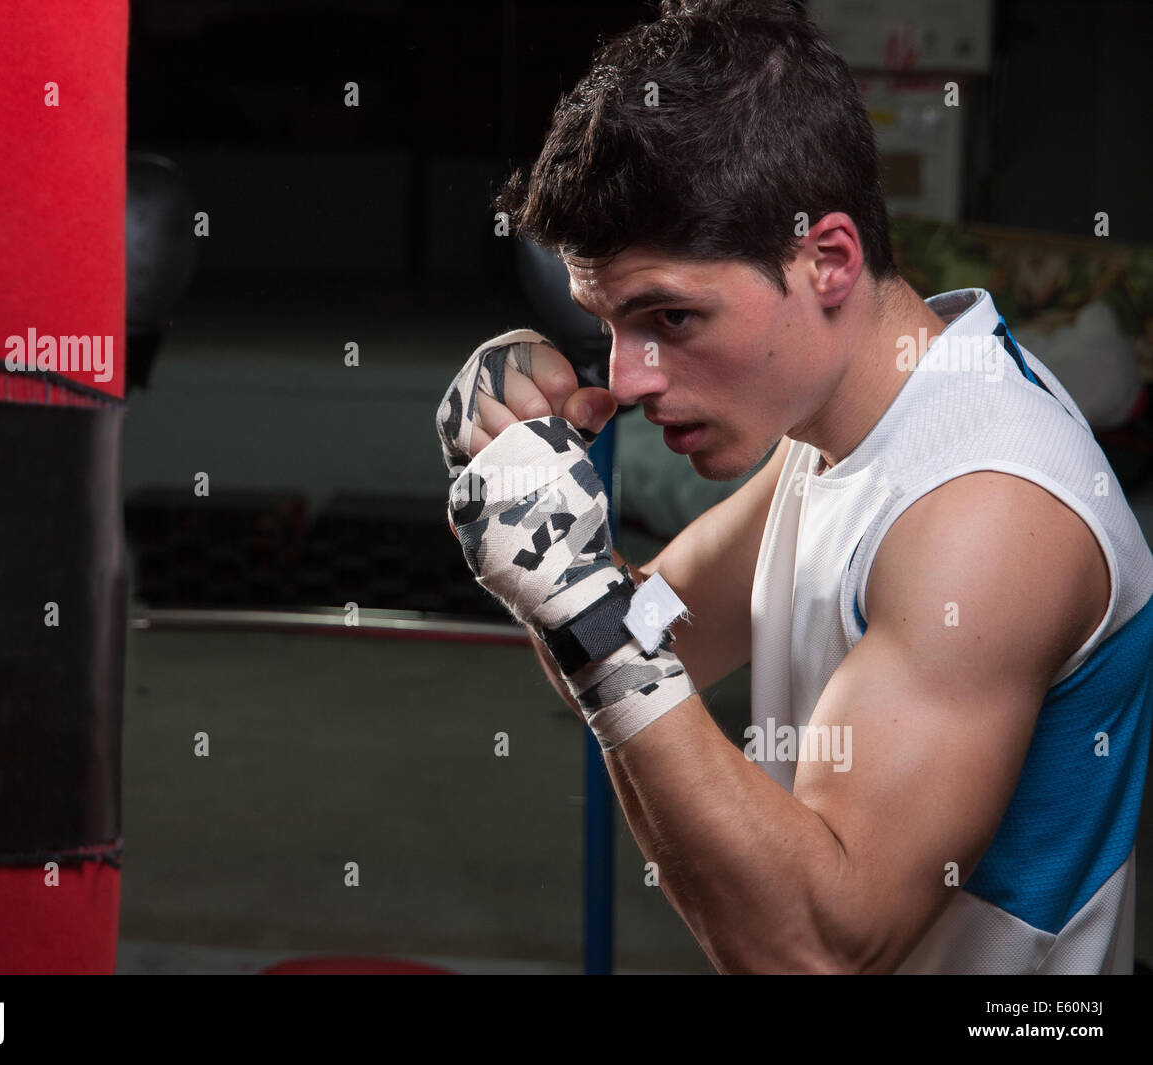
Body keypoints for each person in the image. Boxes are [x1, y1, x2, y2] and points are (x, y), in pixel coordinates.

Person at [435, 0, 1152, 973]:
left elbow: (818, 951)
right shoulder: (840, 425)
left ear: (826, 261)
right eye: (608, 323)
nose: (631, 376)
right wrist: (540, 503)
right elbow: (648, 643)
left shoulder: (984, 513)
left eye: (671, 318)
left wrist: (581, 603)